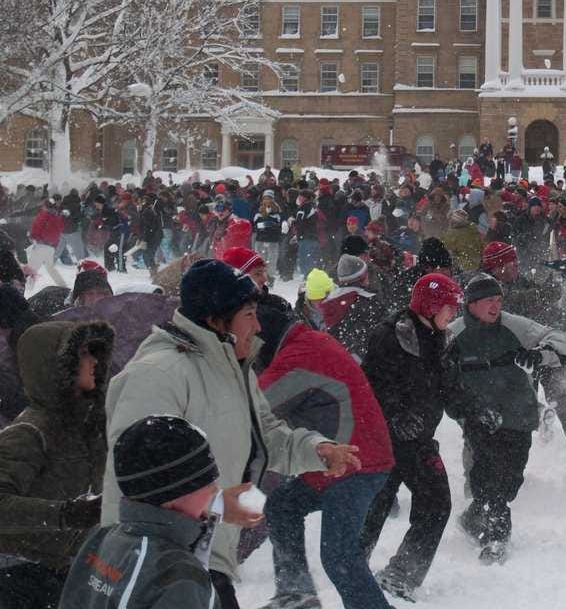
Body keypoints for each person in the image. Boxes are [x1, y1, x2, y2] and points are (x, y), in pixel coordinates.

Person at [101, 259, 361, 609]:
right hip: (154, 567)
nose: (258, 326)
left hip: (203, 557)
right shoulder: (159, 374)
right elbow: (136, 479)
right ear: (215, 320)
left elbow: (265, 433)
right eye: (249, 315)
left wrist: (316, 450)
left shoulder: (231, 369)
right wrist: (217, 504)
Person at [258, 312, 395, 609]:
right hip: (339, 458)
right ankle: (296, 593)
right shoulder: (308, 341)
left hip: (356, 462)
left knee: (339, 555)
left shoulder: (298, 354)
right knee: (282, 506)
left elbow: (256, 405)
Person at [0, 320, 115, 608]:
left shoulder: (89, 422)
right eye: (83, 354)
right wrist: (66, 514)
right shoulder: (29, 431)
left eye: (94, 352)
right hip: (16, 567)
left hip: (63, 562)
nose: (93, 361)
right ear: (58, 367)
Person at [359, 274, 470, 600]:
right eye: (449, 307)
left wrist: (474, 413)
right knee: (376, 504)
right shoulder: (390, 335)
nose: (454, 313)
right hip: (383, 438)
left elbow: (450, 388)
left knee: (435, 503)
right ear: (431, 306)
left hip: (418, 439)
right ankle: (350, 565)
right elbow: (370, 386)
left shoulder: (444, 339)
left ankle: (400, 575)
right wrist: (395, 415)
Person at [446, 274, 566, 564]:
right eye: (489, 300)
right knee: (488, 477)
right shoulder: (453, 334)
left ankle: (473, 516)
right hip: (480, 417)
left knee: (511, 479)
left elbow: (562, 342)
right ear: (471, 304)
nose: (495, 306)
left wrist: (540, 355)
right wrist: (464, 409)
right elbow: (437, 377)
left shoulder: (515, 326)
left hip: (519, 415)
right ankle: (496, 537)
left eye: (499, 300)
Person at [58, 416, 220, 608]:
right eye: (205, 482)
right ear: (171, 495)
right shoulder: (179, 578)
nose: (214, 489)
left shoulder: (102, 538)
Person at [481, 241, 566, 450]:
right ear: (498, 267)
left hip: (544, 347)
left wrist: (553, 280)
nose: (517, 265)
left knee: (561, 397)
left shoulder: (518, 280)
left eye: (516, 261)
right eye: (512, 263)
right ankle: (535, 445)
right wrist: (549, 288)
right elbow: (523, 300)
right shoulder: (486, 289)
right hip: (517, 357)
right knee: (522, 401)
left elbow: (542, 295)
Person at [320, 254, 385, 362]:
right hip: (365, 363)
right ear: (362, 277)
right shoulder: (369, 302)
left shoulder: (328, 303)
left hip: (334, 361)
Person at [27, 199, 68, 287]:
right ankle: (63, 286)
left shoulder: (43, 215)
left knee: (30, 269)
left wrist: (32, 237)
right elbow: (61, 228)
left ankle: (26, 288)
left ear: (45, 207)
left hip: (41, 246)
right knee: (50, 269)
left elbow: (36, 227)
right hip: (51, 247)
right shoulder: (56, 217)